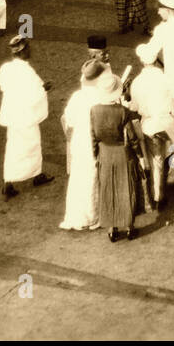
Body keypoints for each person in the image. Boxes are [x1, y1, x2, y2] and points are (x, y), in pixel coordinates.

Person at [128, 44, 174, 210]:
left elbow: (133, 107)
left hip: (148, 124)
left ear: (142, 62)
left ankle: (157, 198)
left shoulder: (137, 82)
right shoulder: (164, 78)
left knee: (157, 161)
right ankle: (172, 178)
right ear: (156, 61)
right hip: (166, 122)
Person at [0, 35, 54, 199]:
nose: (31, 50)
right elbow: (33, 95)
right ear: (22, 51)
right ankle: (37, 175)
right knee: (33, 145)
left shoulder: (6, 68)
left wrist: (40, 88)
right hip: (26, 115)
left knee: (13, 148)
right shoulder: (26, 71)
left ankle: (9, 182)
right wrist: (44, 89)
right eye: (28, 48)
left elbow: (4, 86)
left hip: (12, 115)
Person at [89, 71, 139, 242]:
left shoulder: (94, 111)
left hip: (105, 153)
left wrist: (96, 154)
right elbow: (131, 136)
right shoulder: (123, 112)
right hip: (122, 154)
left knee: (108, 190)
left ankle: (112, 229)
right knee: (126, 188)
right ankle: (130, 227)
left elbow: (93, 136)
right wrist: (139, 154)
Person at [60, 61, 105, 231]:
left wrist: (70, 140)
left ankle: (76, 216)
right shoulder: (100, 96)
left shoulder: (77, 96)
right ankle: (93, 216)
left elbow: (66, 121)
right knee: (93, 178)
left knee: (78, 178)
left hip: (78, 141)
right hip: (93, 142)